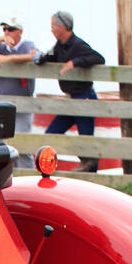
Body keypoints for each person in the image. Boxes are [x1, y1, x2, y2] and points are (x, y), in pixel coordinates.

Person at [32, 10, 105, 172]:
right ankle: (81, 163)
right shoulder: (59, 46)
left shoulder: (78, 45)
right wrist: (39, 57)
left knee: (86, 141)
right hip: (71, 99)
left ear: (62, 27)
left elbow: (99, 58)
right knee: (51, 134)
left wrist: (76, 62)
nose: (51, 29)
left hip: (85, 98)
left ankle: (92, 178)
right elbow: (50, 56)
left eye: (53, 26)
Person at [0, 15, 37, 168]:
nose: (7, 32)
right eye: (4, 29)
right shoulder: (2, 47)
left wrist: (8, 59)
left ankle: (27, 176)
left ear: (19, 31)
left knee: (23, 144)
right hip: (4, 101)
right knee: (4, 142)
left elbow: (35, 56)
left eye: (10, 29)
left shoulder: (27, 44)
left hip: (23, 101)